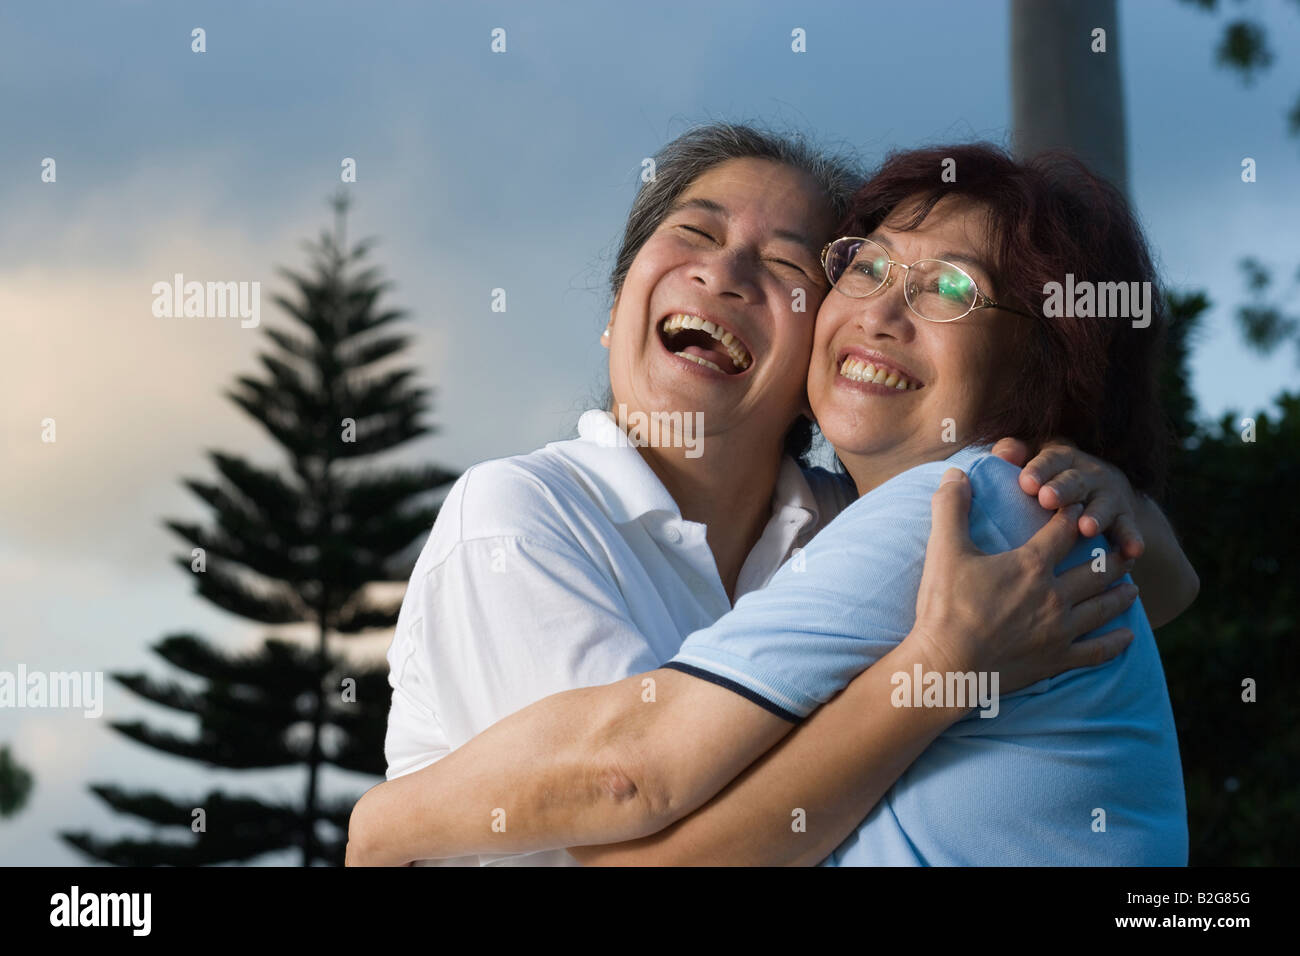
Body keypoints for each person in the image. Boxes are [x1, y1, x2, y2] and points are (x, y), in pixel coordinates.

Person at [360, 134, 1196, 866]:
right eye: (694, 230)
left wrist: (1094, 486)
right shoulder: (522, 514)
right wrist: (939, 666)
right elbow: (622, 780)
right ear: (615, 312)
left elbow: (1159, 583)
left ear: (807, 363)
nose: (723, 273)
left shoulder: (870, 518)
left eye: (789, 265)